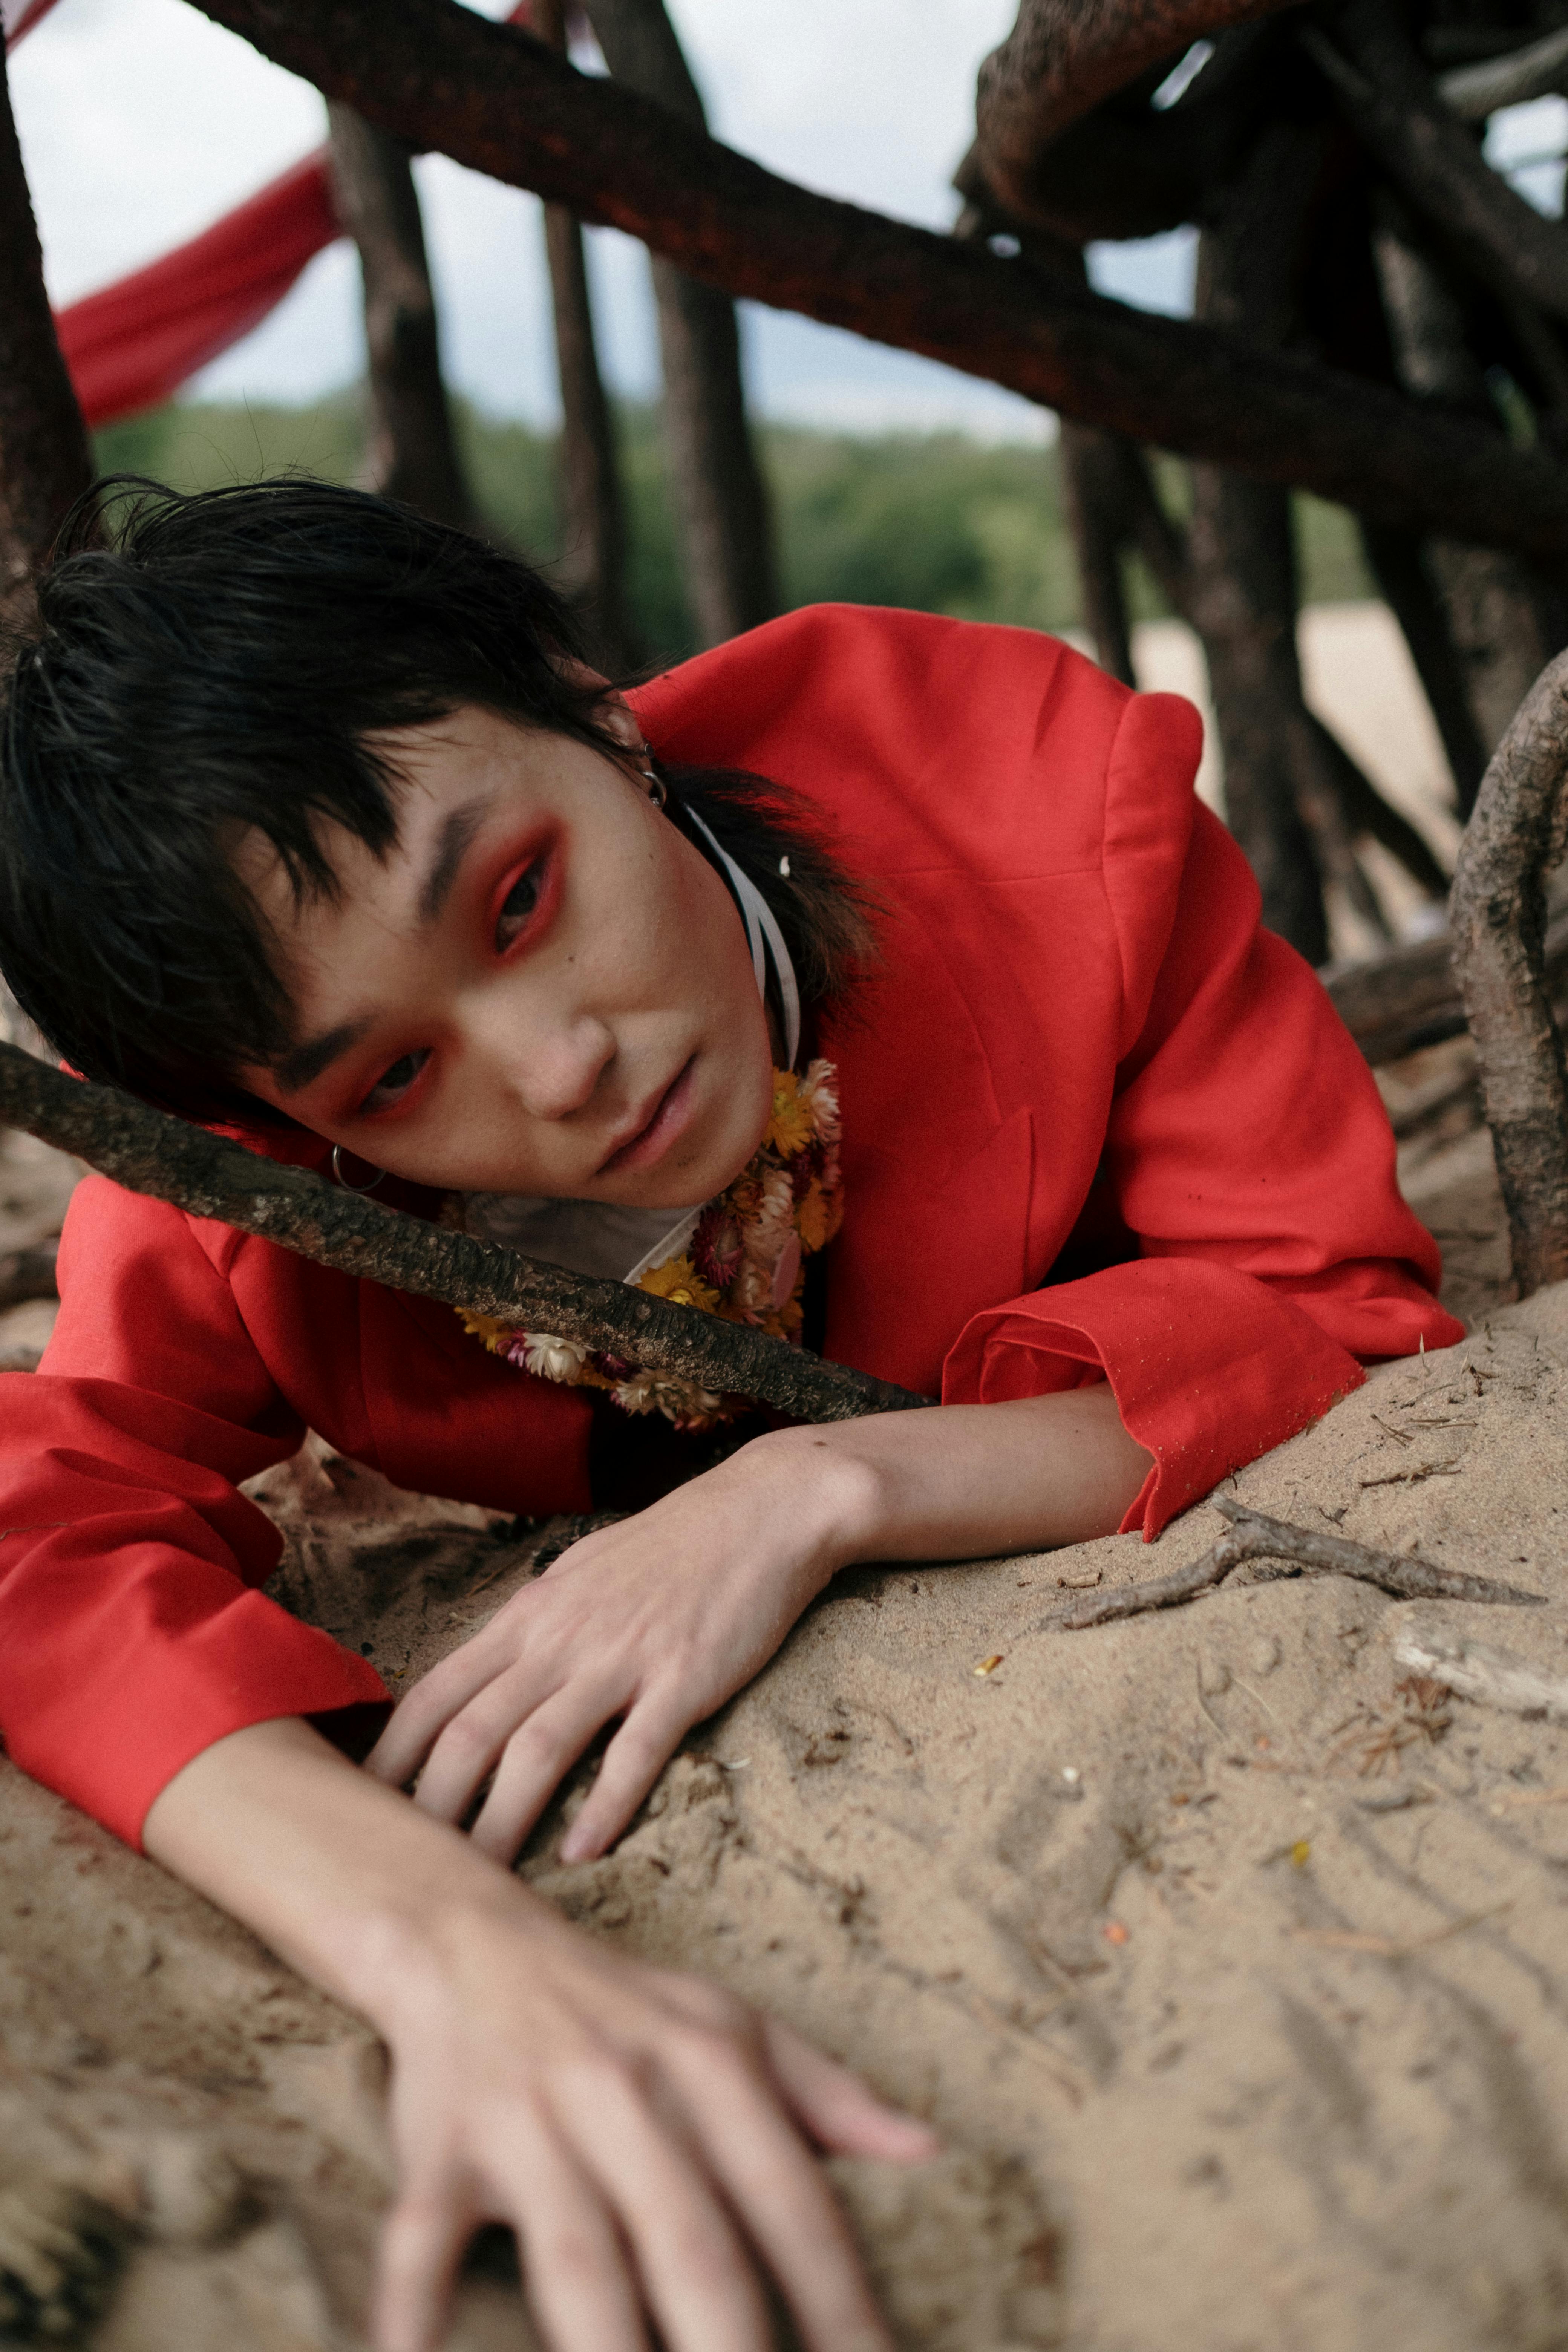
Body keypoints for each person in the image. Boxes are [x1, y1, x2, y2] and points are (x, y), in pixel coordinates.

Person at [0, 479, 1462, 2352]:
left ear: (595, 708)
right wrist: (448, 1954)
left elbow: (1331, 1304)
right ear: (285, 1123)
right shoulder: (251, 1190)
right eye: (397, 1069)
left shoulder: (1042, 800)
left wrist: (819, 1485)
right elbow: (40, 1521)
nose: (558, 1066)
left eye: (520, 897)